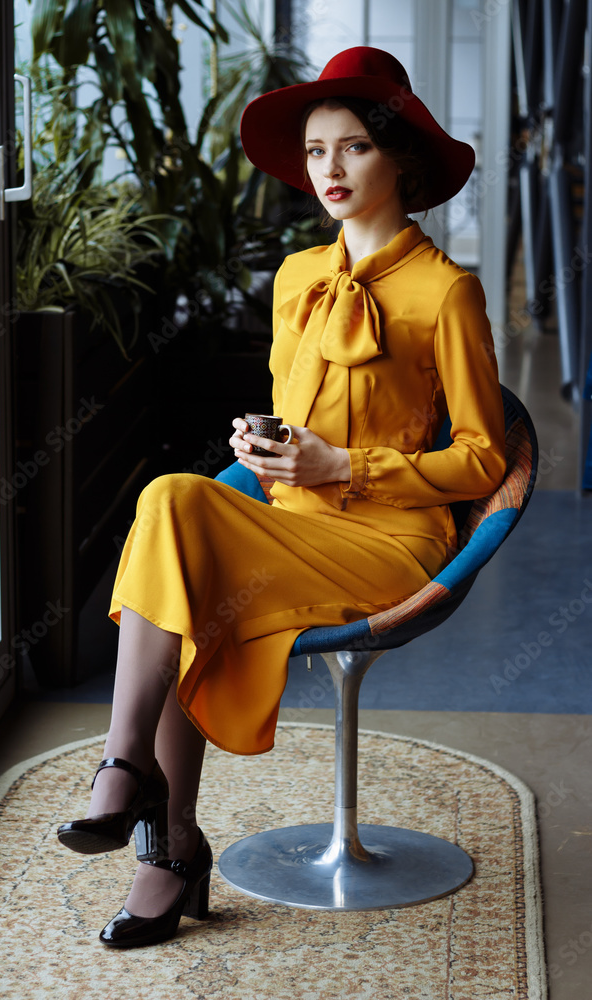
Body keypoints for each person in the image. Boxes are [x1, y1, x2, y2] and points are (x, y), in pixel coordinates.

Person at [56, 46, 506, 948]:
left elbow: (486, 459)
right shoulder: (298, 278)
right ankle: (153, 810)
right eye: (313, 152)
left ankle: (153, 822)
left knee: (178, 549)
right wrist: (262, 444)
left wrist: (349, 468)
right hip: (285, 521)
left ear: (401, 163)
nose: (328, 171)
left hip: (387, 542)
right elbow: (293, 414)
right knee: (175, 505)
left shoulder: (446, 292)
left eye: (352, 149)